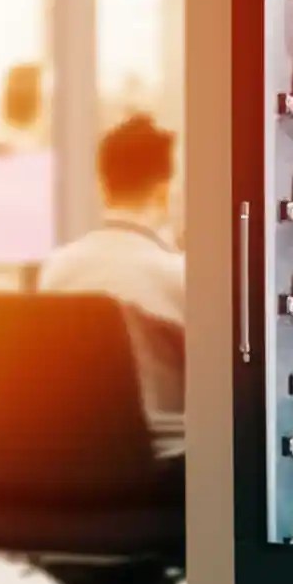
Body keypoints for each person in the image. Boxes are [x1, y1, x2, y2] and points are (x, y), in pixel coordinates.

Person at [38, 114, 185, 435]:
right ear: (163, 193)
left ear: (103, 188)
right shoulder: (176, 276)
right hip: (161, 461)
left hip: (67, 456)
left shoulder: (56, 270)